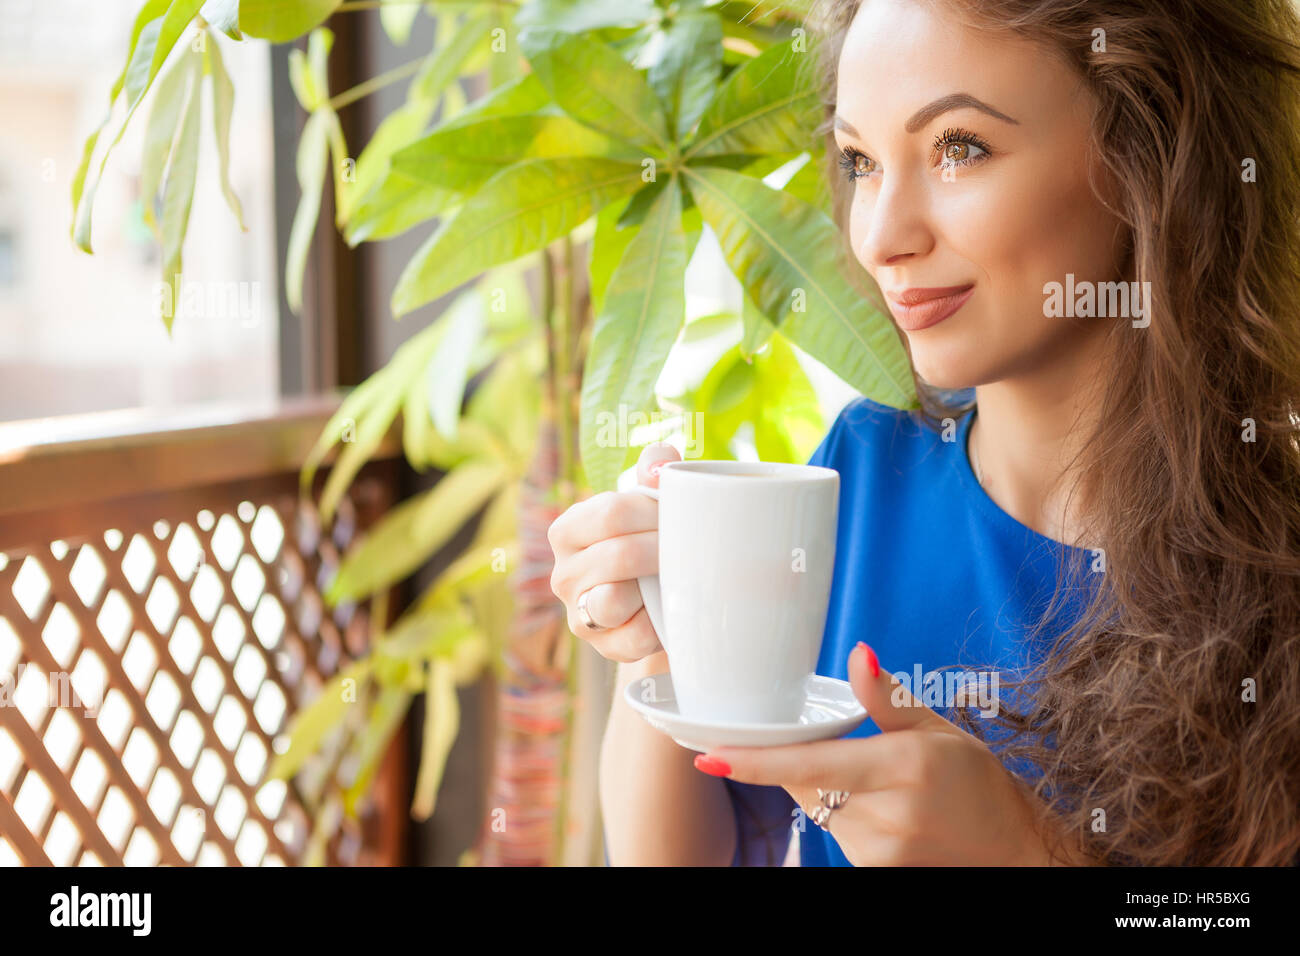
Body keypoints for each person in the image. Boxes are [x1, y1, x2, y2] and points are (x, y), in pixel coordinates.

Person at [546, 0, 1300, 866]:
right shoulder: (860, 472)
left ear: (1148, 153)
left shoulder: (1274, 573)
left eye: (959, 147)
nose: (879, 236)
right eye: (861, 161)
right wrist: (656, 645)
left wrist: (1028, 854)